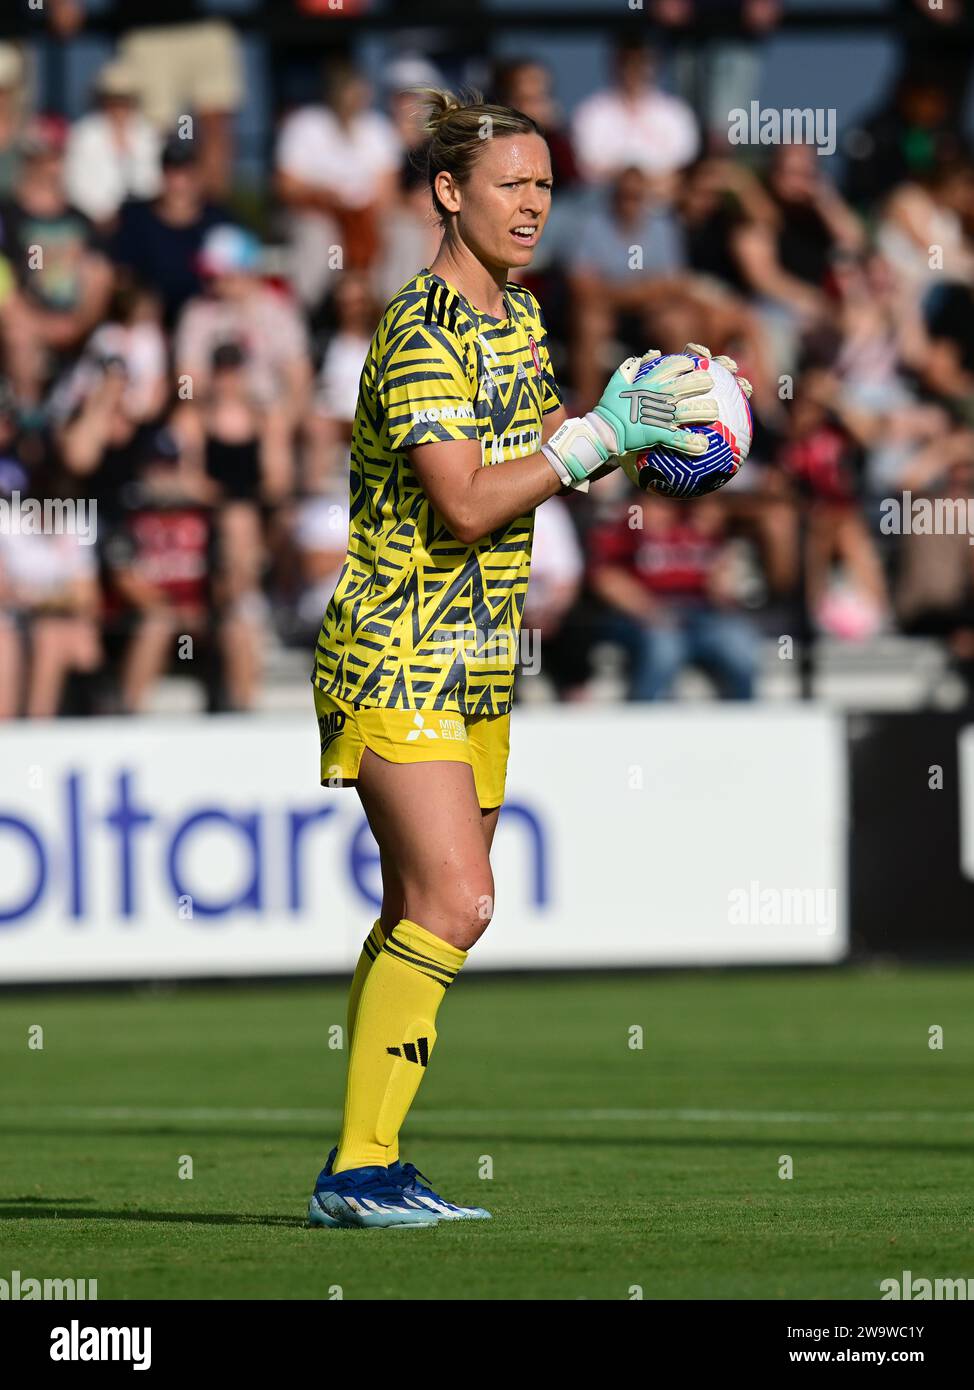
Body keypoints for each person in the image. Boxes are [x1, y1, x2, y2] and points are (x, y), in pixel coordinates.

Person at [306, 89, 742, 1228]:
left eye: (546, 184)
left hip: (482, 659)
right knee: (459, 898)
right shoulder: (419, 329)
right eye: (512, 183)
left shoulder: (520, 319)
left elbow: (546, 459)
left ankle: (367, 1162)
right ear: (449, 193)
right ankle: (356, 1171)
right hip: (396, 645)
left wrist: (653, 433)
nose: (534, 204)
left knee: (419, 905)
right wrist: (596, 437)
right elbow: (459, 503)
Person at [64, 61, 161, 227]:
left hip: (145, 220)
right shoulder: (83, 134)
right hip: (93, 222)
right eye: (113, 100)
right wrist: (100, 214)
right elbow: (74, 184)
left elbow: (156, 182)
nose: (119, 108)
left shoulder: (148, 133)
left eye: (125, 100)